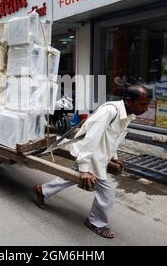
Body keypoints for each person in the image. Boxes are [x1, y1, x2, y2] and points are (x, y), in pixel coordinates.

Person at [33, 85, 151, 239]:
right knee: (107, 191)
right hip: (89, 155)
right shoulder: (109, 111)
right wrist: (84, 168)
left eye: (147, 104)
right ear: (128, 101)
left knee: (69, 177)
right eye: (143, 104)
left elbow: (113, 138)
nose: (146, 108)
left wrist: (113, 157)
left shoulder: (128, 114)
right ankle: (96, 222)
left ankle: (42, 191)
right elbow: (91, 138)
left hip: (96, 155)